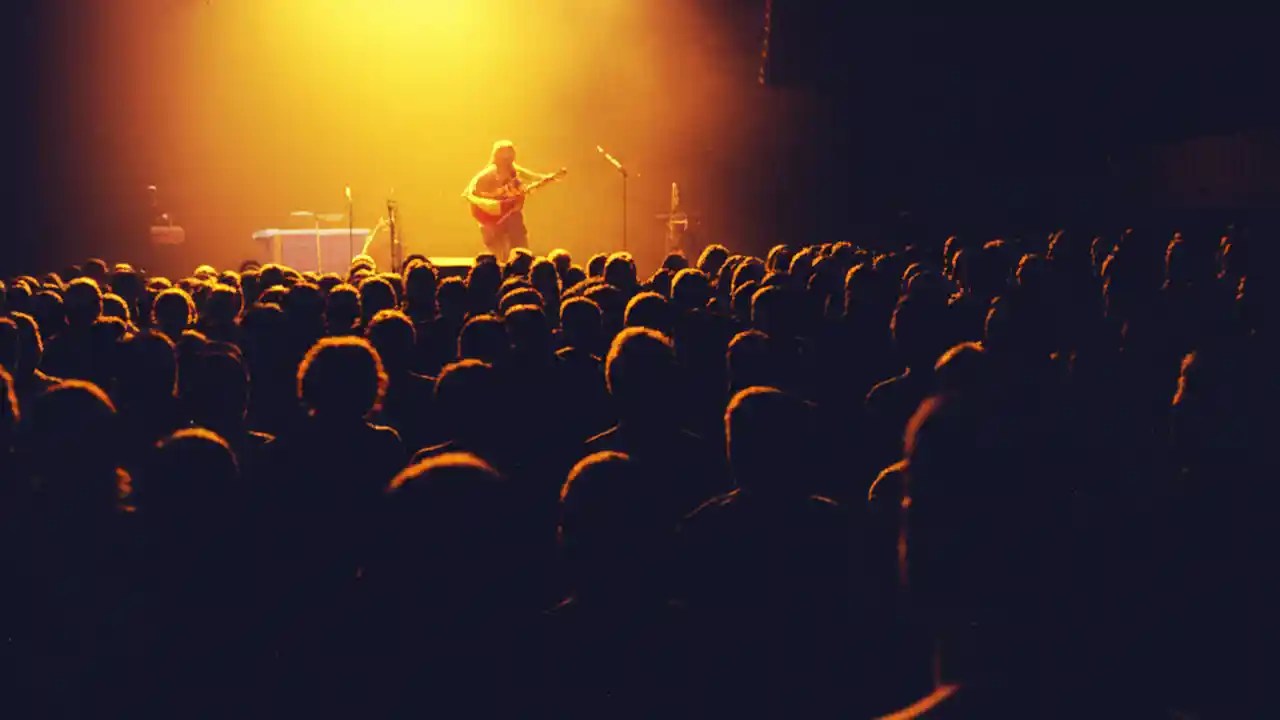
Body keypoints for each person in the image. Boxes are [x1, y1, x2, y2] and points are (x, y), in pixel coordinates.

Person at [463, 140, 565, 257]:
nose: (507, 161)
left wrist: (548, 178)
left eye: (510, 157)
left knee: (520, 248)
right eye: (504, 157)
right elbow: (472, 192)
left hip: (512, 218)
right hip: (493, 222)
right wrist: (491, 202)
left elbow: (531, 177)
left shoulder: (514, 172)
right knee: (499, 253)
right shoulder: (488, 174)